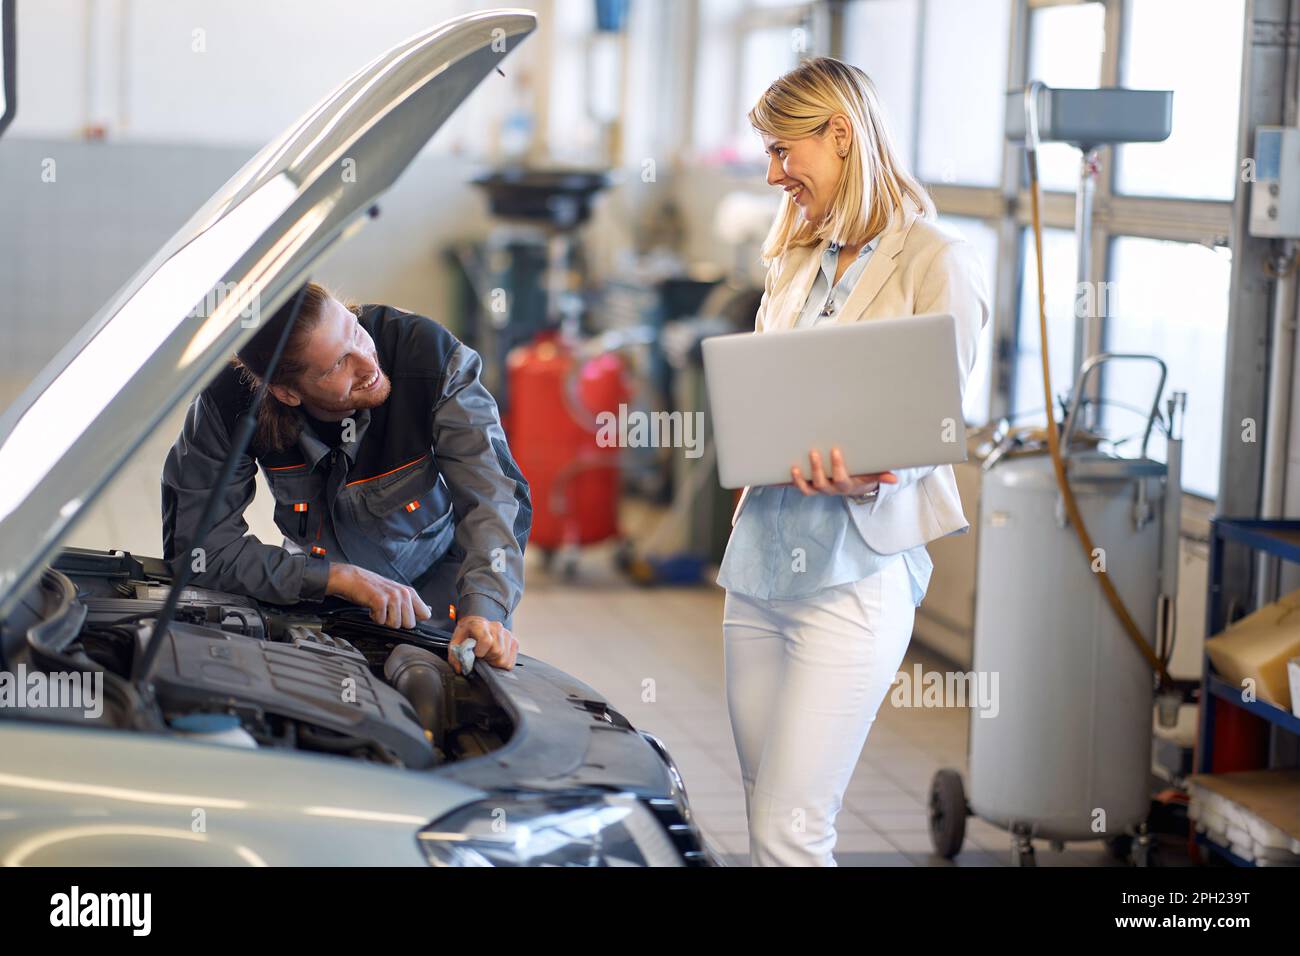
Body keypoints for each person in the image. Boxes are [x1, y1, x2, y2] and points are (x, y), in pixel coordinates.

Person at [718, 56, 990, 865]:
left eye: (781, 150)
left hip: (855, 579)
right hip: (760, 566)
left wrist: (881, 467)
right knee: (765, 808)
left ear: (840, 133)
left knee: (790, 829)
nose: (773, 174)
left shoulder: (937, 259)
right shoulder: (795, 256)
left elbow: (940, 414)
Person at [161, 282, 532, 672]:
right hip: (323, 597)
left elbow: (494, 496)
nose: (369, 366)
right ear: (286, 393)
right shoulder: (227, 406)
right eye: (338, 364)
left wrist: (486, 605)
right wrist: (332, 578)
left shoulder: (429, 359)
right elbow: (202, 552)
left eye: (355, 331)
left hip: (448, 590)